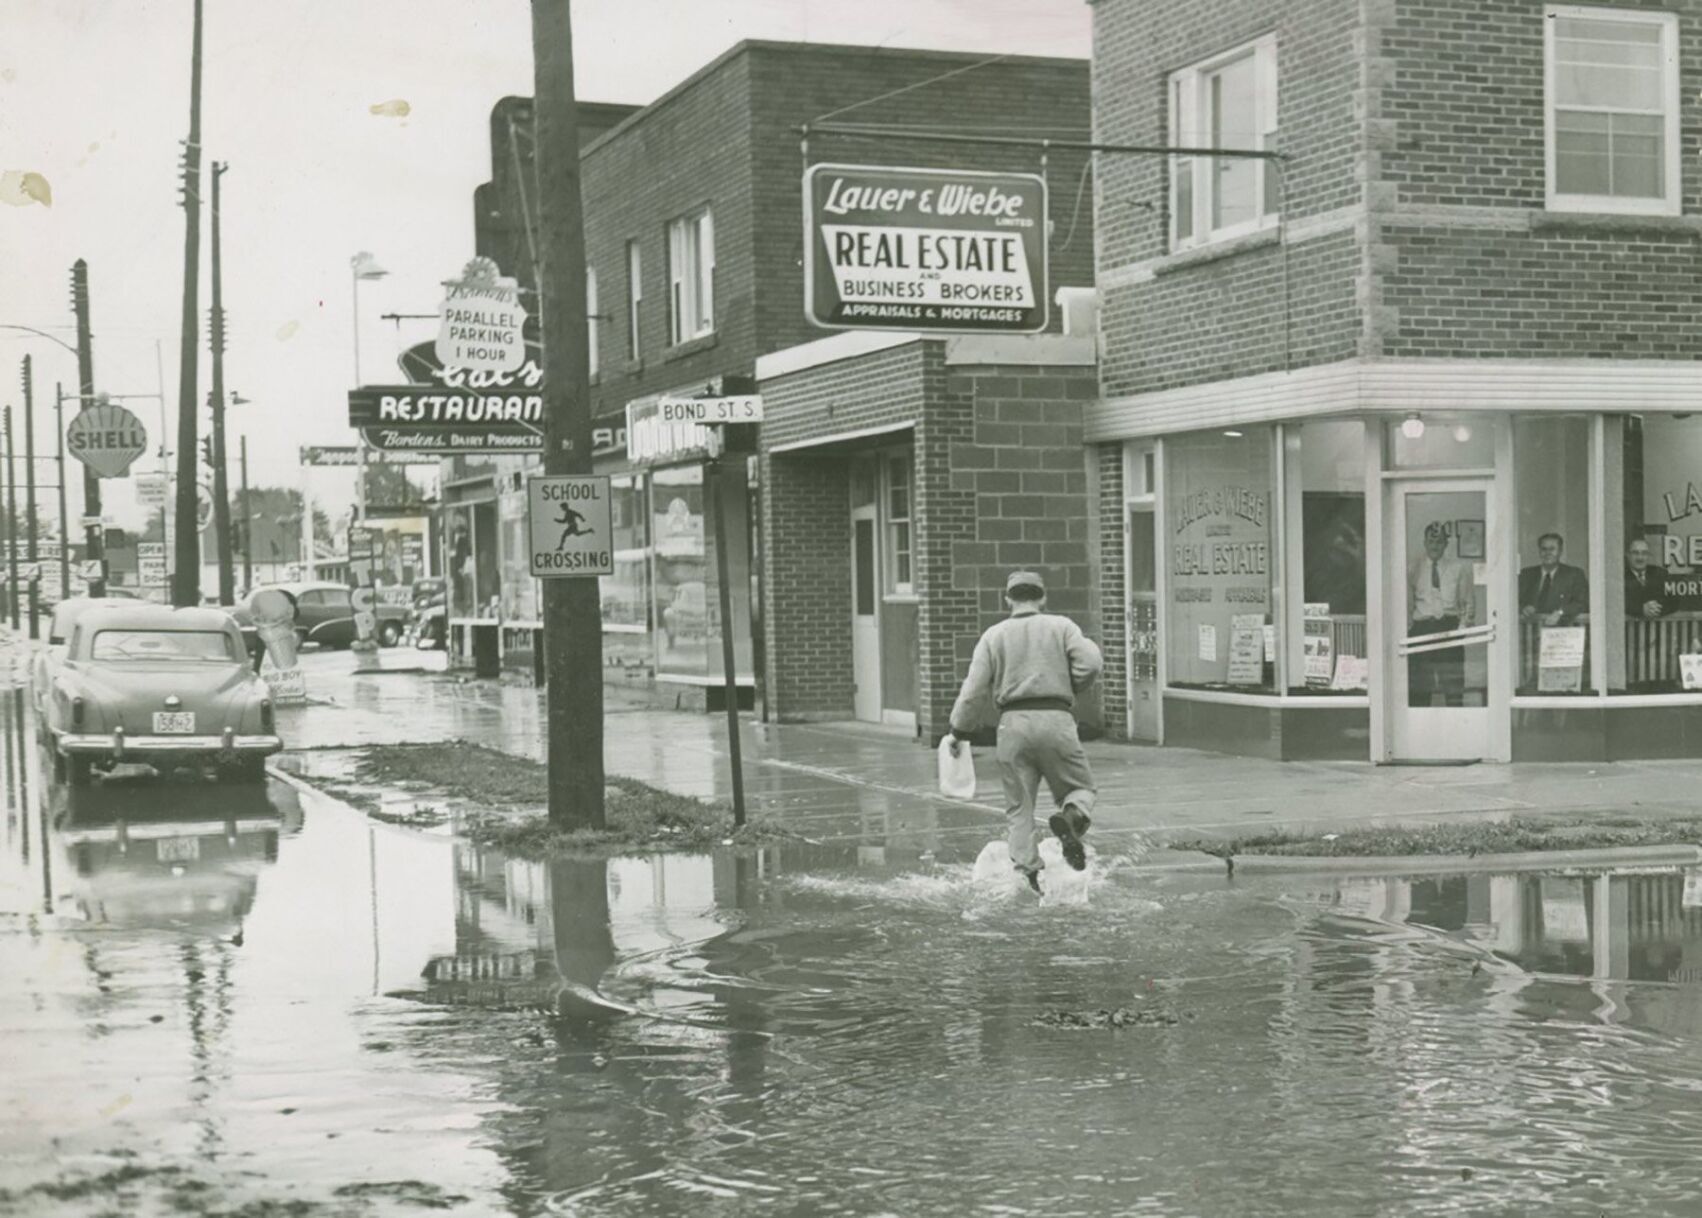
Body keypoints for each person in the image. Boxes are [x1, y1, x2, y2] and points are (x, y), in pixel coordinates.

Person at [943, 570, 1102, 893]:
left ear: (1008, 599)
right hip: (1057, 718)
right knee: (1080, 788)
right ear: (1043, 598)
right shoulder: (1062, 626)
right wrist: (1072, 684)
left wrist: (958, 731)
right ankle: (1072, 817)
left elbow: (974, 690)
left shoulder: (994, 636)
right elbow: (1092, 662)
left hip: (1012, 725)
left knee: (1019, 806)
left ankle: (1030, 877)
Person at [1408, 521, 1474, 707]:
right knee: (1420, 686)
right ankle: (1419, 731)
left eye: (1439, 542)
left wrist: (1462, 629)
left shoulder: (1458, 569)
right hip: (1422, 628)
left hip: (1449, 627)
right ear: (1425, 543)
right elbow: (1406, 602)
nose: (1435, 546)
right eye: (1431, 541)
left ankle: (1456, 730)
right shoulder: (1413, 568)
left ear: (1446, 544)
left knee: (1452, 686)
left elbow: (1468, 602)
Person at [1518, 532, 1589, 626]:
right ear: (1539, 551)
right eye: (1544, 549)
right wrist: (1523, 608)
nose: (1548, 553)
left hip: (1562, 632)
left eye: (1552, 549)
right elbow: (1512, 600)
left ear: (1560, 551)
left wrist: (1561, 612)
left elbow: (1582, 603)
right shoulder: (1526, 574)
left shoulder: (1574, 574)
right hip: (1530, 632)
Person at [1624, 538, 1665, 621]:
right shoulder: (1620, 576)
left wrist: (1654, 609)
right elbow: (1615, 603)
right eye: (1635, 553)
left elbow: (1673, 601)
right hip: (1628, 629)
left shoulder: (1659, 573)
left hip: (1658, 629)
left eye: (1644, 553)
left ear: (1649, 556)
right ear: (1628, 555)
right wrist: (1640, 609)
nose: (1640, 557)